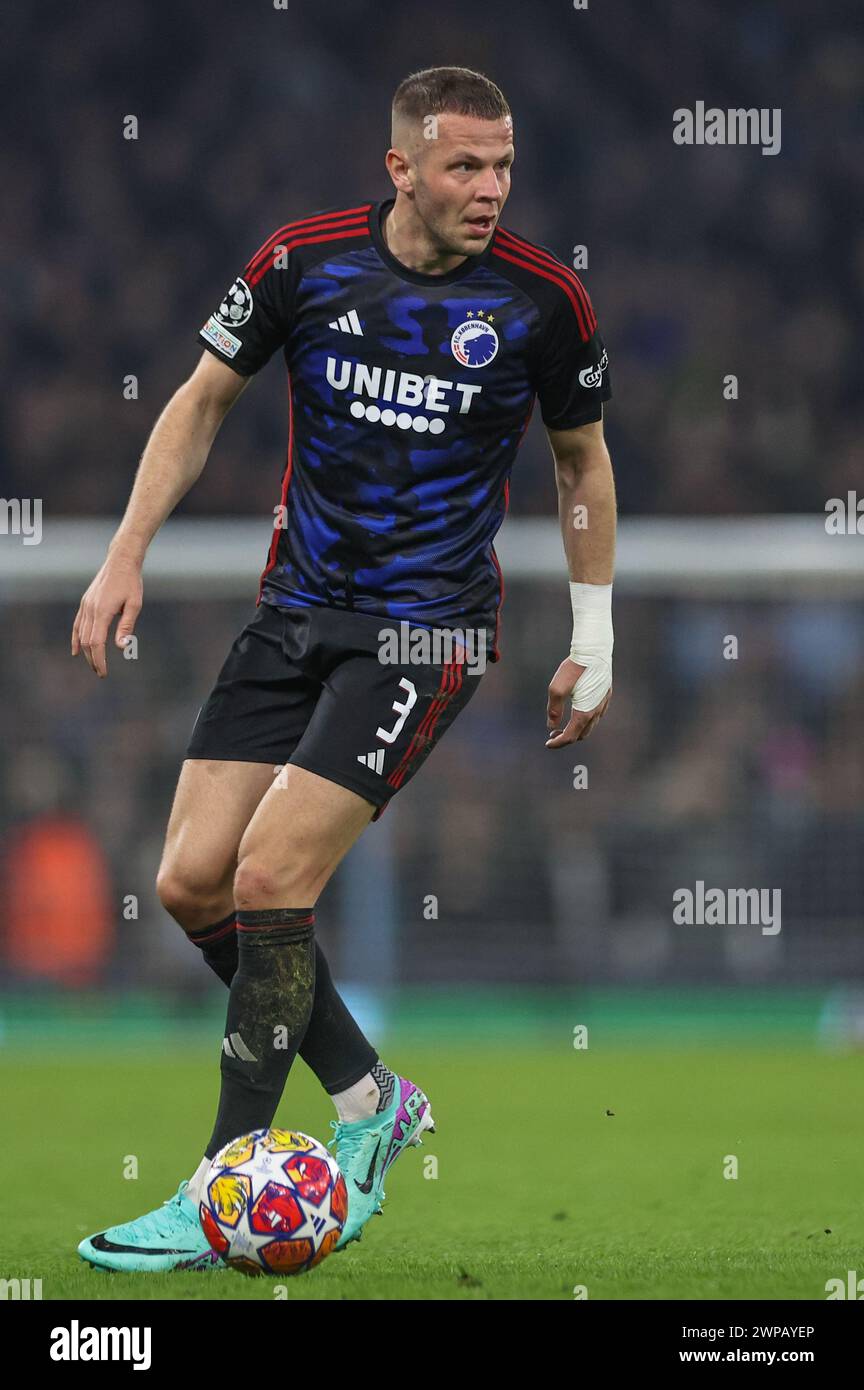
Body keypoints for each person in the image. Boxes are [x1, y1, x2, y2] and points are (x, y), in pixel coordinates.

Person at [73, 64, 615, 1272]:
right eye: (465, 165)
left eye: (505, 164)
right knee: (189, 884)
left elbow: (582, 463)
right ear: (402, 168)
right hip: (297, 610)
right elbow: (203, 397)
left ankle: (216, 1188)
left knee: (269, 873)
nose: (490, 189)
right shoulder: (302, 263)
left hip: (428, 631)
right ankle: (372, 1101)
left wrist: (597, 635)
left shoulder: (541, 300)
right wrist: (125, 552)